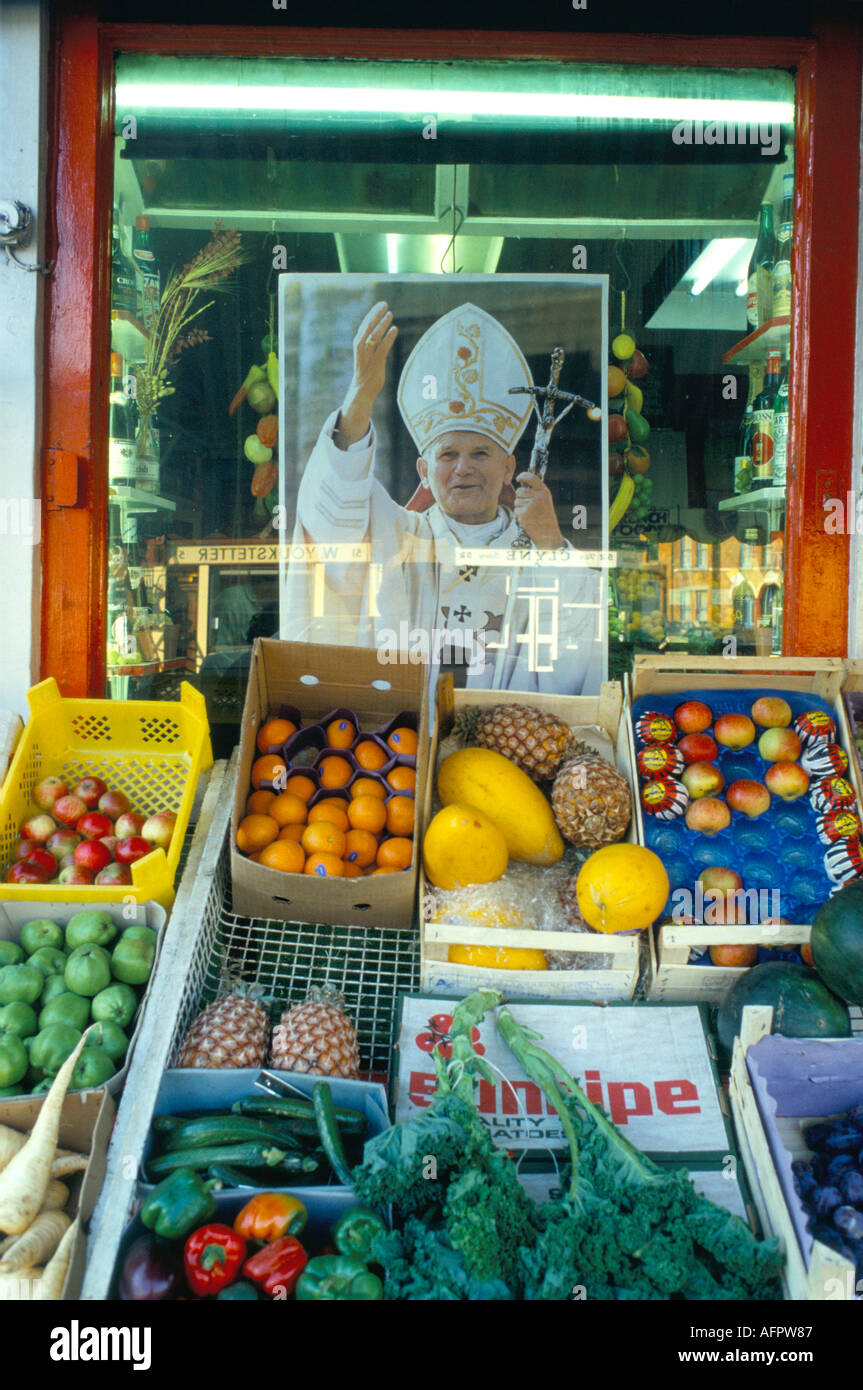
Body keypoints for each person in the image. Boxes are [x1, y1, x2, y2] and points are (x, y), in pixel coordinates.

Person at [282, 300, 603, 695]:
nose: (463, 468)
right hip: (404, 743)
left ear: (508, 468)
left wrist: (551, 543)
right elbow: (333, 518)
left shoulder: (535, 558)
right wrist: (360, 394)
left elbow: (572, 662)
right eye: (448, 454)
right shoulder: (398, 539)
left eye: (481, 453)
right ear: (425, 473)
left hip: (500, 747)